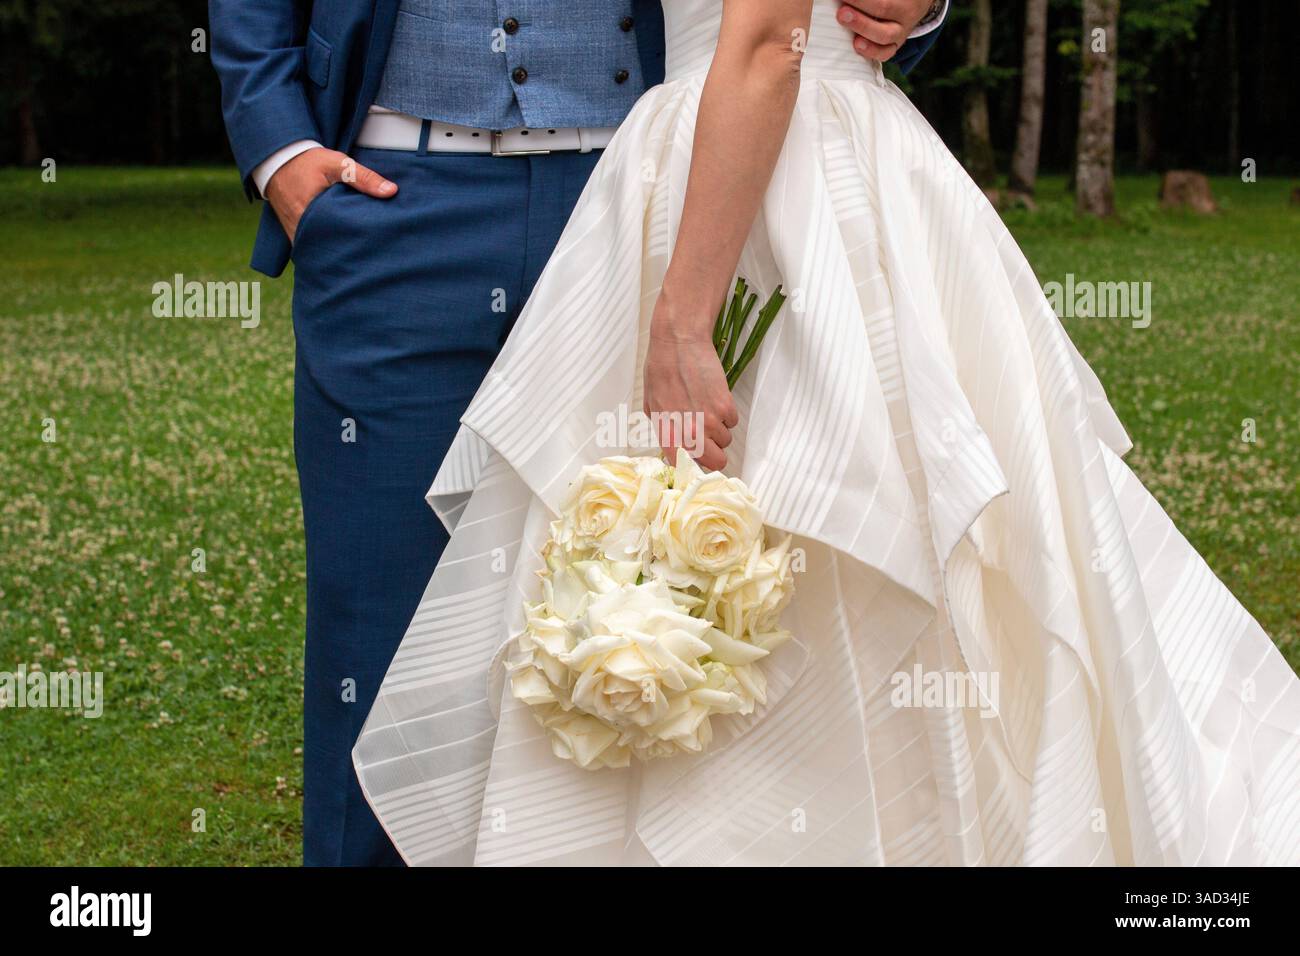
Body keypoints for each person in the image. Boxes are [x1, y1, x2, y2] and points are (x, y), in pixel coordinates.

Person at [352, 0, 1300, 866]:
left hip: (763, 167)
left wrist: (686, 319)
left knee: (799, 543)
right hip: (776, 149)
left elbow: (768, 41)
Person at [209, 0, 948, 867]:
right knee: (379, 625)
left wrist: (921, 9)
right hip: (397, 206)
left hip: (644, 213)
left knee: (655, 618)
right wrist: (281, 153)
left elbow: (773, 35)